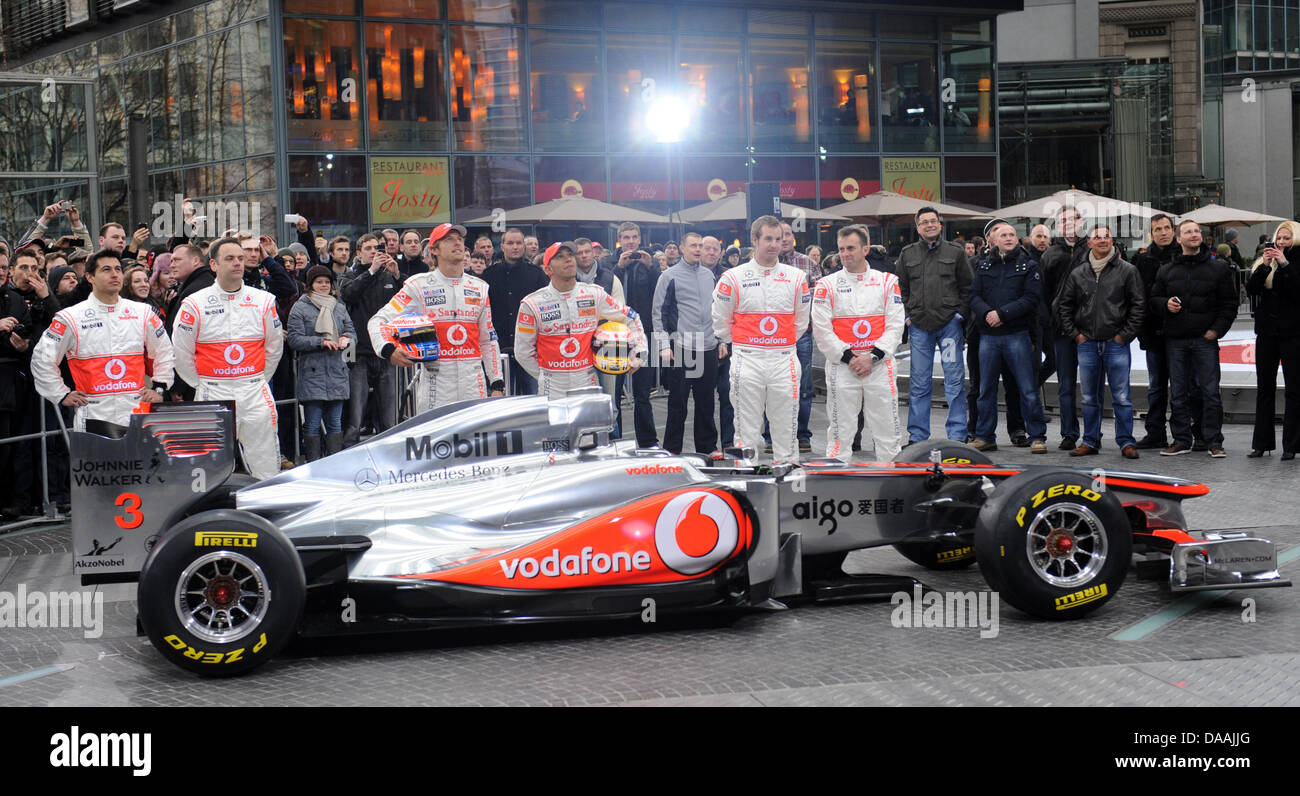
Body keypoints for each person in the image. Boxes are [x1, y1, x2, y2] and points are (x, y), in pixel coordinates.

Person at [172, 237, 285, 480]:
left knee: (266, 463)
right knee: (209, 467)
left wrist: (257, 379)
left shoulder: (263, 300)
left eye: (241, 258)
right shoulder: (194, 303)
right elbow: (181, 352)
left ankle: (265, 513)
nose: (237, 263)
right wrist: (201, 384)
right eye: (230, 258)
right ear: (213, 265)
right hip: (213, 392)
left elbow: (274, 347)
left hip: (254, 390)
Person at [31, 249, 173, 430]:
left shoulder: (142, 313)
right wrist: (61, 394)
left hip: (136, 411)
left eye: (117, 269)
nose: (114, 274)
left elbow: (165, 351)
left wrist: (160, 387)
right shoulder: (70, 317)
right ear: (90, 277)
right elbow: (42, 358)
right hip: (93, 414)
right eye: (106, 269)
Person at [370, 223, 504, 411]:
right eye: (449, 239)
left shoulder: (480, 287)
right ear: (434, 249)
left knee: (472, 440)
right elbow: (378, 321)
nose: (457, 243)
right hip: (436, 382)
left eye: (460, 239)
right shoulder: (419, 285)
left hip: (474, 381)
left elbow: (488, 339)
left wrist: (497, 382)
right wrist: (387, 349)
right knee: (436, 440)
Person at [711, 215, 811, 463]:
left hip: (784, 358)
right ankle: (745, 479)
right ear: (755, 239)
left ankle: (788, 477)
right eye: (768, 238)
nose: (774, 244)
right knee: (745, 428)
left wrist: (780, 343)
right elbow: (720, 319)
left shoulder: (796, 277)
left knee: (786, 427)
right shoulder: (733, 277)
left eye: (779, 238)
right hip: (747, 359)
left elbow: (801, 320)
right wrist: (741, 343)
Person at [812, 225, 905, 461]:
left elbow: (895, 325)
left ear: (865, 249)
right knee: (840, 432)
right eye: (841, 249)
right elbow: (822, 329)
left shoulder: (887, 281)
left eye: (851, 248)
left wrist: (872, 356)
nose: (845, 254)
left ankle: (891, 481)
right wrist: (850, 358)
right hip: (843, 367)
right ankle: (836, 482)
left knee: (887, 430)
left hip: (879, 366)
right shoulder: (826, 285)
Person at [1056, 225, 1146, 459]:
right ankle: (1090, 440)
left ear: (1112, 240)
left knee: (1122, 397)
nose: (1103, 240)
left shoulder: (1127, 270)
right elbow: (1064, 306)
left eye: (1107, 236)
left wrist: (1124, 336)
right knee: (1088, 397)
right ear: (1090, 243)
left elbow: (1138, 305)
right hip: (1086, 342)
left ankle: (1126, 441)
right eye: (1098, 237)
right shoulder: (1078, 273)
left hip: (1116, 343)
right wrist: (1076, 335)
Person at [1151, 220, 1238, 458]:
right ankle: (1181, 440)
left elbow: (1229, 304)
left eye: (1197, 231)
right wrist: (1165, 305)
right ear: (1178, 239)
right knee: (1178, 392)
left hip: (1205, 340)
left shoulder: (1218, 268)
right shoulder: (1166, 270)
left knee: (1210, 392)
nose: (1194, 234)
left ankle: (1213, 440)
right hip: (1176, 341)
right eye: (1188, 231)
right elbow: (1154, 299)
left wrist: (1215, 332)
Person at [516, 241, 646, 399]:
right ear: (548, 269)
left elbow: (632, 317)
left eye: (570, 255)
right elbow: (523, 352)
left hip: (588, 383)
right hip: (552, 389)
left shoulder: (594, 294)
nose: (568, 259)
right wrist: (546, 375)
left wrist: (640, 354)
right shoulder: (532, 304)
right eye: (560, 257)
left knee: (597, 422)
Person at [968, 220, 1047, 453]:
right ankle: (985, 436)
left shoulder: (1029, 266)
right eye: (1004, 235)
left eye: (1012, 234)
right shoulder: (983, 266)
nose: (1009, 238)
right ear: (994, 240)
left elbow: (1031, 299)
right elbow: (973, 296)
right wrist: (987, 314)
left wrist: (1001, 314)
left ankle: (1037, 436)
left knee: (1028, 389)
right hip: (988, 337)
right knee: (985, 390)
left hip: (1017, 335)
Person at [897, 207, 972, 443]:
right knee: (919, 383)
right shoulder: (907, 254)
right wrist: (908, 317)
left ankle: (958, 435)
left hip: (949, 326)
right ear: (918, 228)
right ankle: (917, 436)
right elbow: (900, 291)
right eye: (924, 222)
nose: (929, 225)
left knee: (955, 382)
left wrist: (959, 316)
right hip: (919, 327)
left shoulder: (956, 252)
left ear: (940, 224)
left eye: (933, 221)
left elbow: (968, 287)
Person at [652, 232, 719, 455]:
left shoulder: (709, 275)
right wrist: (662, 345)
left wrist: (720, 340)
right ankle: (672, 451)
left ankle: (707, 449)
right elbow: (658, 313)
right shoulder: (668, 276)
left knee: (706, 404)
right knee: (677, 405)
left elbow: (716, 311)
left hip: (708, 346)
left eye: (700, 245)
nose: (698, 249)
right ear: (682, 248)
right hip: (682, 346)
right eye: (693, 245)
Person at [1245, 220, 1300, 458]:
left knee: (1295, 389)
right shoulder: (1265, 262)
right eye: (1279, 238)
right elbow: (1252, 290)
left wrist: (1285, 264)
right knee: (1264, 388)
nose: (1281, 242)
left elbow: (1298, 291)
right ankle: (1262, 443)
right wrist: (1265, 266)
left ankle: (1293, 445)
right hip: (1267, 333)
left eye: (1286, 238)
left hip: (1294, 333)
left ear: (1295, 239)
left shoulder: (1295, 262)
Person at [289, 265, 355, 460]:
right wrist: (320, 342)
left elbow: (352, 331)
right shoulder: (300, 307)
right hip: (312, 372)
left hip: (337, 371)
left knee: (335, 422)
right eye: (319, 282)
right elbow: (294, 339)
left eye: (327, 282)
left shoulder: (339, 306)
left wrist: (347, 338)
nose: (324, 285)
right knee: (312, 423)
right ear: (310, 285)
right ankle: (313, 462)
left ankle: (334, 461)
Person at [1038, 205, 1090, 449]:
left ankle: (1092, 434)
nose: (1069, 223)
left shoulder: (1092, 248)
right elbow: (1044, 294)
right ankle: (1069, 433)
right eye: (1064, 220)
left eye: (1073, 219)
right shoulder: (1049, 255)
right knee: (1066, 384)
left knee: (1092, 385)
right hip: (1060, 330)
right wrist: (1051, 321)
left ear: (1081, 222)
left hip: (1090, 328)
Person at [340, 239, 402, 442]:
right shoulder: (350, 275)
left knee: (388, 417)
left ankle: (389, 453)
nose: (374, 252)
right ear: (358, 252)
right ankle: (349, 454)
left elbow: (407, 300)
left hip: (386, 351)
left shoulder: (387, 275)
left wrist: (398, 275)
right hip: (359, 353)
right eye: (369, 249)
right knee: (355, 417)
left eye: (377, 248)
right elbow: (348, 295)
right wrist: (372, 271)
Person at [481, 227, 547, 395]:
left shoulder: (536, 275)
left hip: (529, 349)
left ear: (524, 246)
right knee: (501, 403)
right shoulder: (488, 276)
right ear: (502, 246)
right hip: (499, 348)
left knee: (533, 399)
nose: (515, 247)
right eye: (510, 243)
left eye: (518, 243)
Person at [612, 221, 661, 447]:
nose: (630, 241)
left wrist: (651, 268)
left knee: (642, 393)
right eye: (626, 237)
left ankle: (648, 441)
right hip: (615, 337)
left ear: (640, 239)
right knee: (614, 394)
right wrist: (619, 268)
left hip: (643, 334)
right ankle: (614, 439)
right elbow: (605, 295)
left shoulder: (649, 264)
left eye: (634, 237)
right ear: (619, 240)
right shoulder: (610, 264)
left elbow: (659, 294)